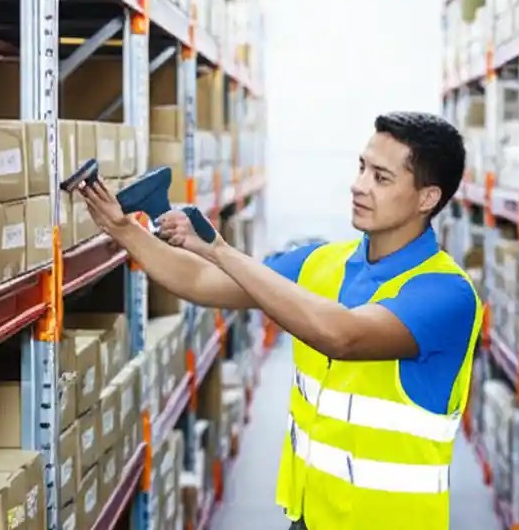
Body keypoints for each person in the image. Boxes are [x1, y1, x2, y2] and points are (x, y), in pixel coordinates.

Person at [77, 110, 482, 530]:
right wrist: (124, 228)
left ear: (427, 198)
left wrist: (219, 250)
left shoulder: (446, 293)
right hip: (307, 518)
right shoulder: (321, 262)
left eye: (381, 178)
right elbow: (200, 279)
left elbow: (343, 336)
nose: (358, 186)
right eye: (362, 168)